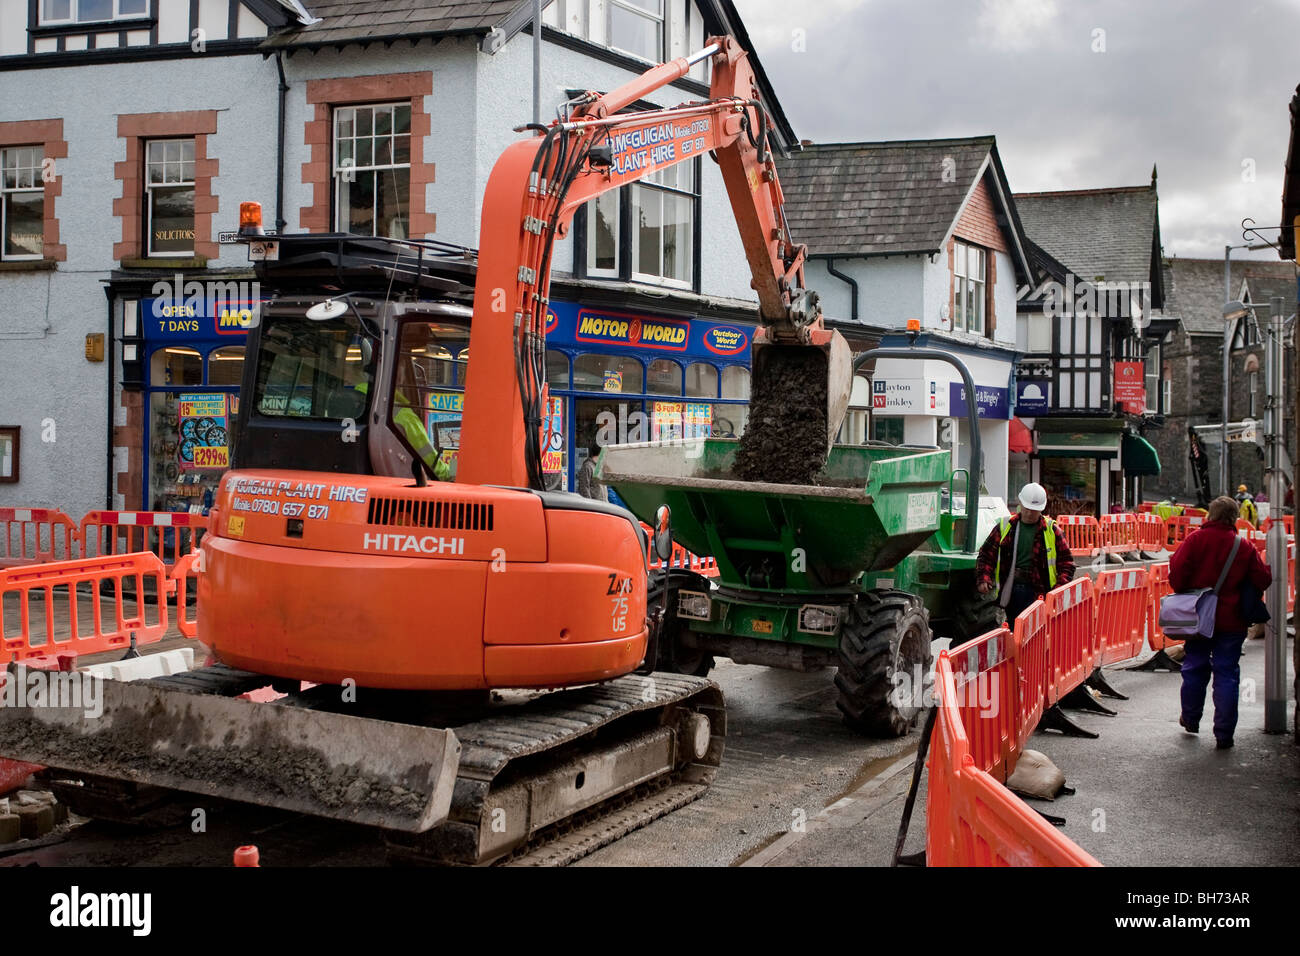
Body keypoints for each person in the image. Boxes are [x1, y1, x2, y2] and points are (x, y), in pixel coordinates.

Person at [1169, 495, 1271, 749]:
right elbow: (1262, 579)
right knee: (1227, 674)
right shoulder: (1243, 546)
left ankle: (1191, 719)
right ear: (1234, 518)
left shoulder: (1194, 540)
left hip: (1198, 618)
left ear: (1210, 516)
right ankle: (1224, 733)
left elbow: (1177, 575)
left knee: (1194, 666)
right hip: (1232, 619)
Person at [974, 482, 1076, 636]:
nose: (1029, 513)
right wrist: (984, 578)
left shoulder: (1052, 531)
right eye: (1027, 508)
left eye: (1033, 510)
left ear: (1041, 509)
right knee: (1015, 631)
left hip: (1040, 592)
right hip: (1011, 590)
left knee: (1035, 633)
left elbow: (1067, 564)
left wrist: (1057, 591)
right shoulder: (1005, 526)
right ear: (1020, 503)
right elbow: (987, 554)